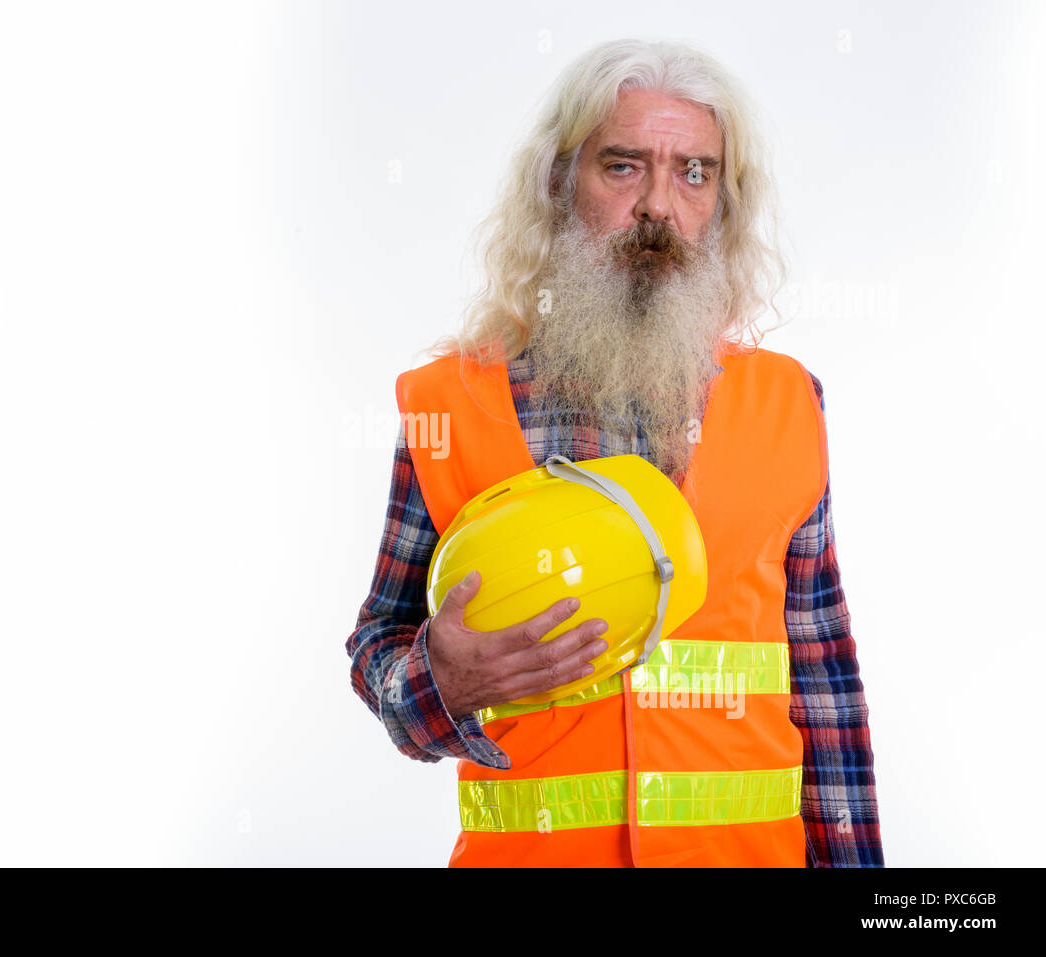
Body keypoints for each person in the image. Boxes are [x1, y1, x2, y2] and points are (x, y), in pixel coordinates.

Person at [346, 38, 882, 867]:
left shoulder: (788, 402)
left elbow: (824, 683)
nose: (659, 207)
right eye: (624, 167)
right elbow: (381, 645)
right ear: (560, 183)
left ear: (724, 204)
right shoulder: (447, 404)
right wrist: (437, 686)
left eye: (695, 173)